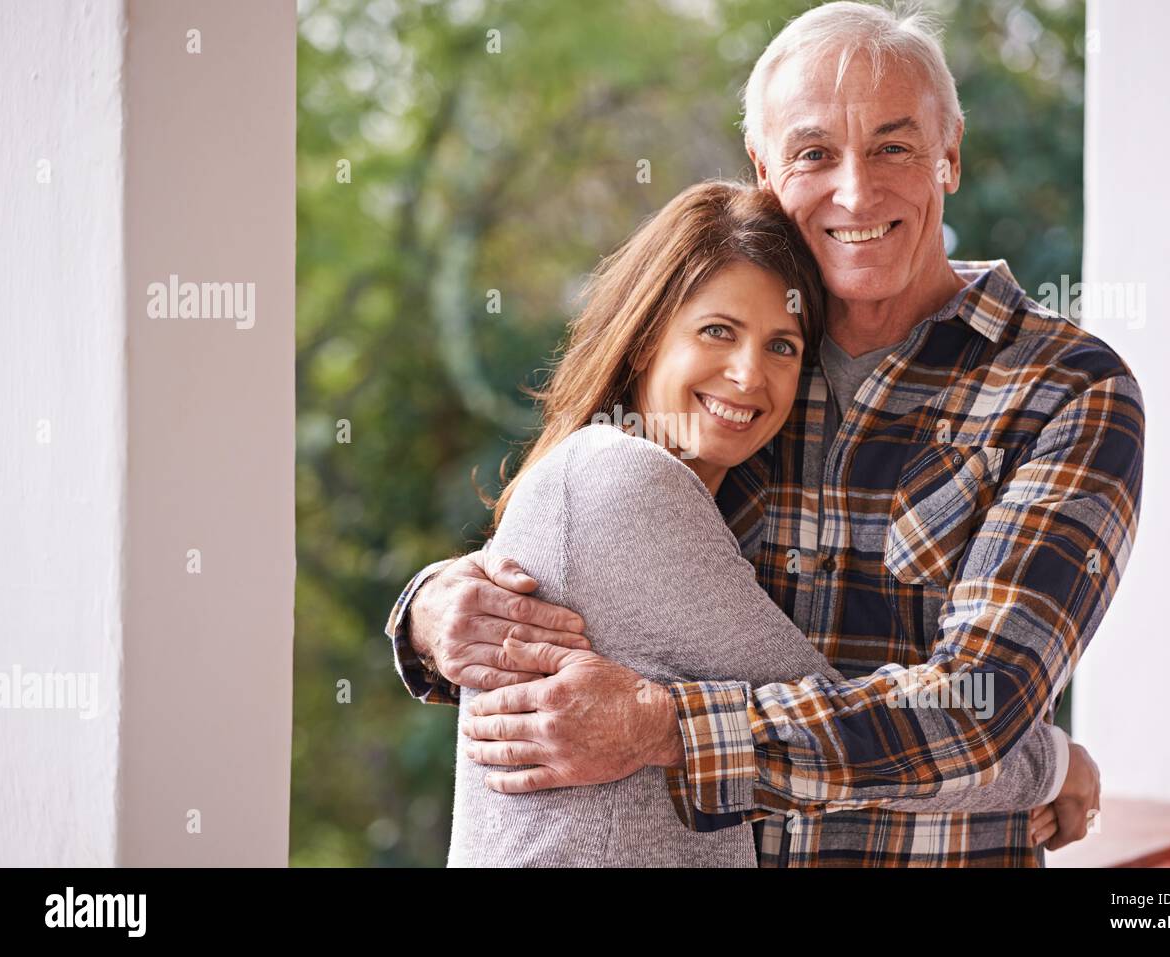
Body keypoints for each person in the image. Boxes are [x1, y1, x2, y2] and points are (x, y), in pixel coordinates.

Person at [388, 1, 1138, 867]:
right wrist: (431, 611)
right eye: (815, 153)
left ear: (951, 156)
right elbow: (577, 547)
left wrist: (661, 727)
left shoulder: (1066, 389)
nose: (856, 191)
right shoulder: (734, 377)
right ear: (764, 169)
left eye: (895, 146)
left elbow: (979, 709)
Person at [438, 180, 1072, 866]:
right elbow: (853, 740)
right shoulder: (627, 483)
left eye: (782, 346)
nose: (748, 374)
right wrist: (1056, 765)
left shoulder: (645, 484)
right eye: (718, 331)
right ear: (647, 336)